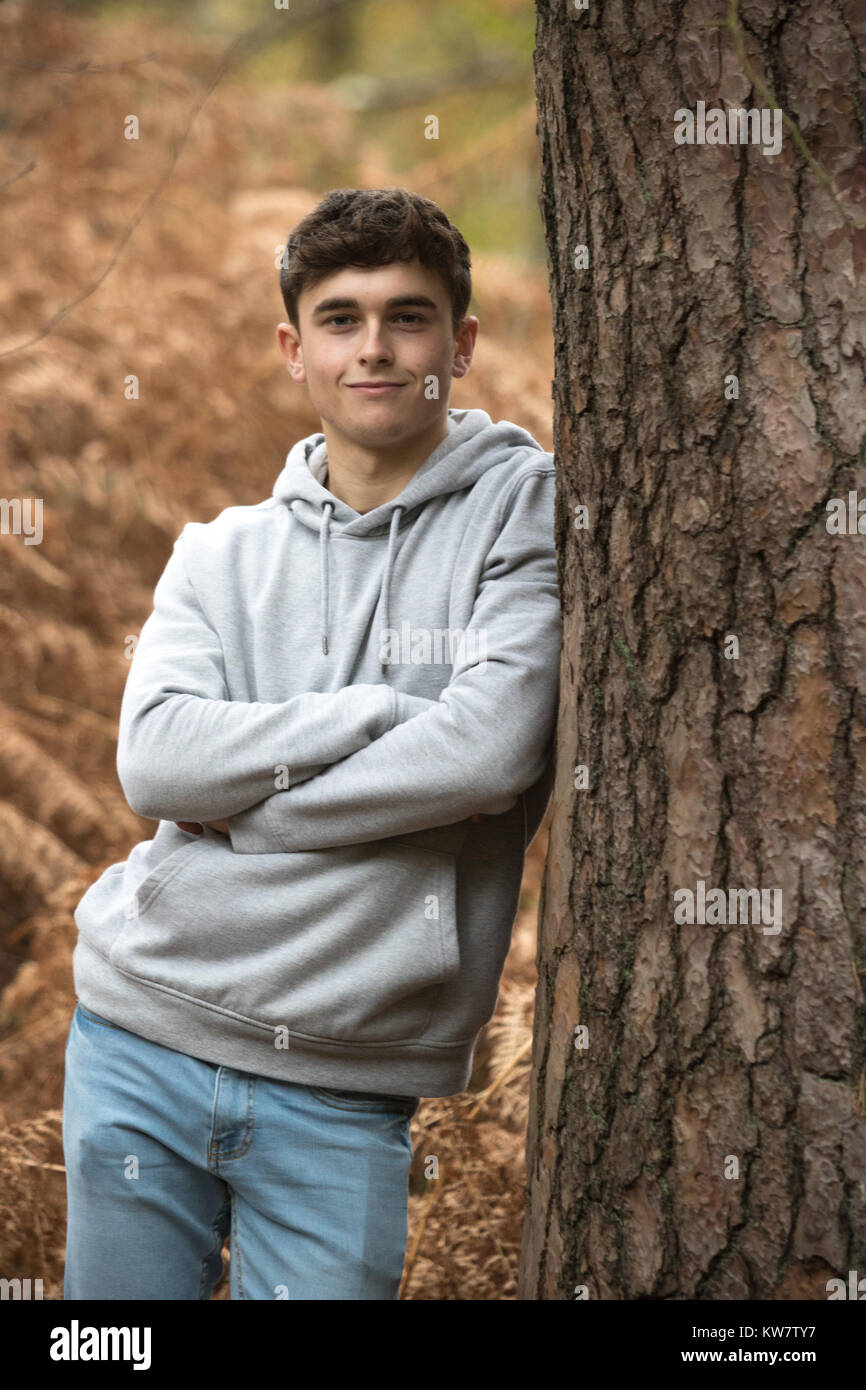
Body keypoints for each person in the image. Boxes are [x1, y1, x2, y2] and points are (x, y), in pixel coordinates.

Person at [62, 186, 561, 1300]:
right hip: (138, 1034)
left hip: (343, 1080)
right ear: (294, 348)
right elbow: (156, 763)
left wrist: (250, 807)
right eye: (339, 319)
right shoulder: (217, 555)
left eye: (407, 316)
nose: (373, 348)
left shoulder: (520, 510)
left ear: (460, 343)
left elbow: (485, 755)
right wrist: (382, 711)